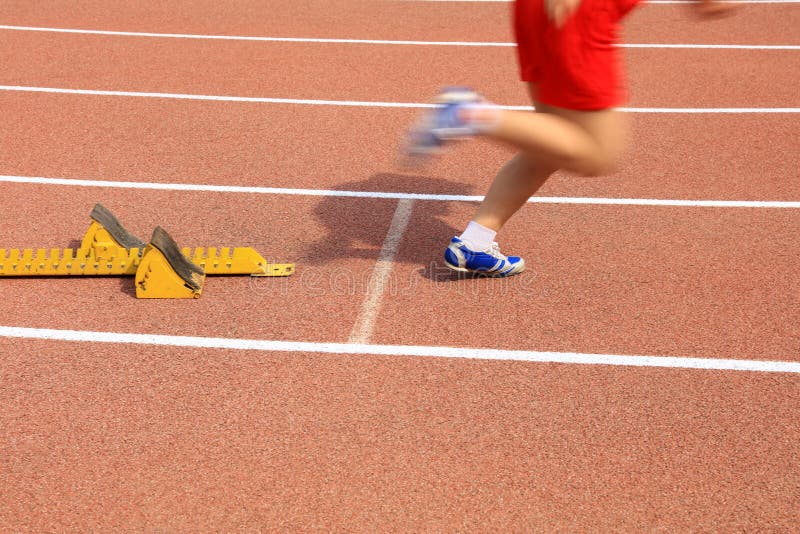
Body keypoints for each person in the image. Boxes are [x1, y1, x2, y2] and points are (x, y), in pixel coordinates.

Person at [406, 0, 734, 277]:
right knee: (600, 154)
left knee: (550, 143)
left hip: (539, 10)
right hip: (580, 13)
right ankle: (469, 114)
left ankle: (474, 243)